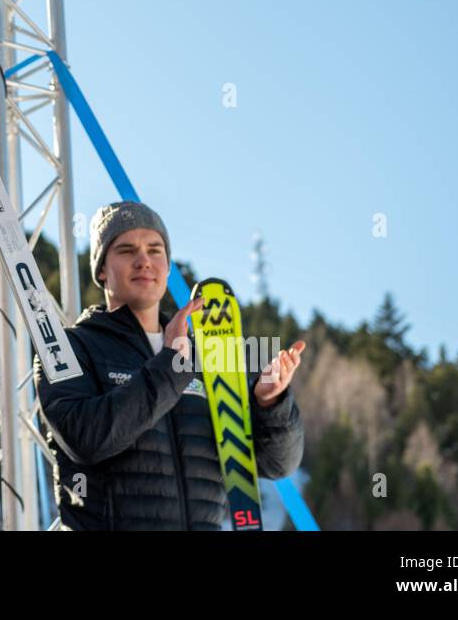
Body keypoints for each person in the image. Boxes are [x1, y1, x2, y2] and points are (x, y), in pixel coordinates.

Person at [35, 200, 307, 530]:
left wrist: (270, 404)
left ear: (167, 265)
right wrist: (172, 365)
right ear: (102, 269)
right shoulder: (70, 347)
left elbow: (277, 465)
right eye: (126, 250)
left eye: (155, 250)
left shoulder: (206, 359)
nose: (143, 261)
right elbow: (85, 438)